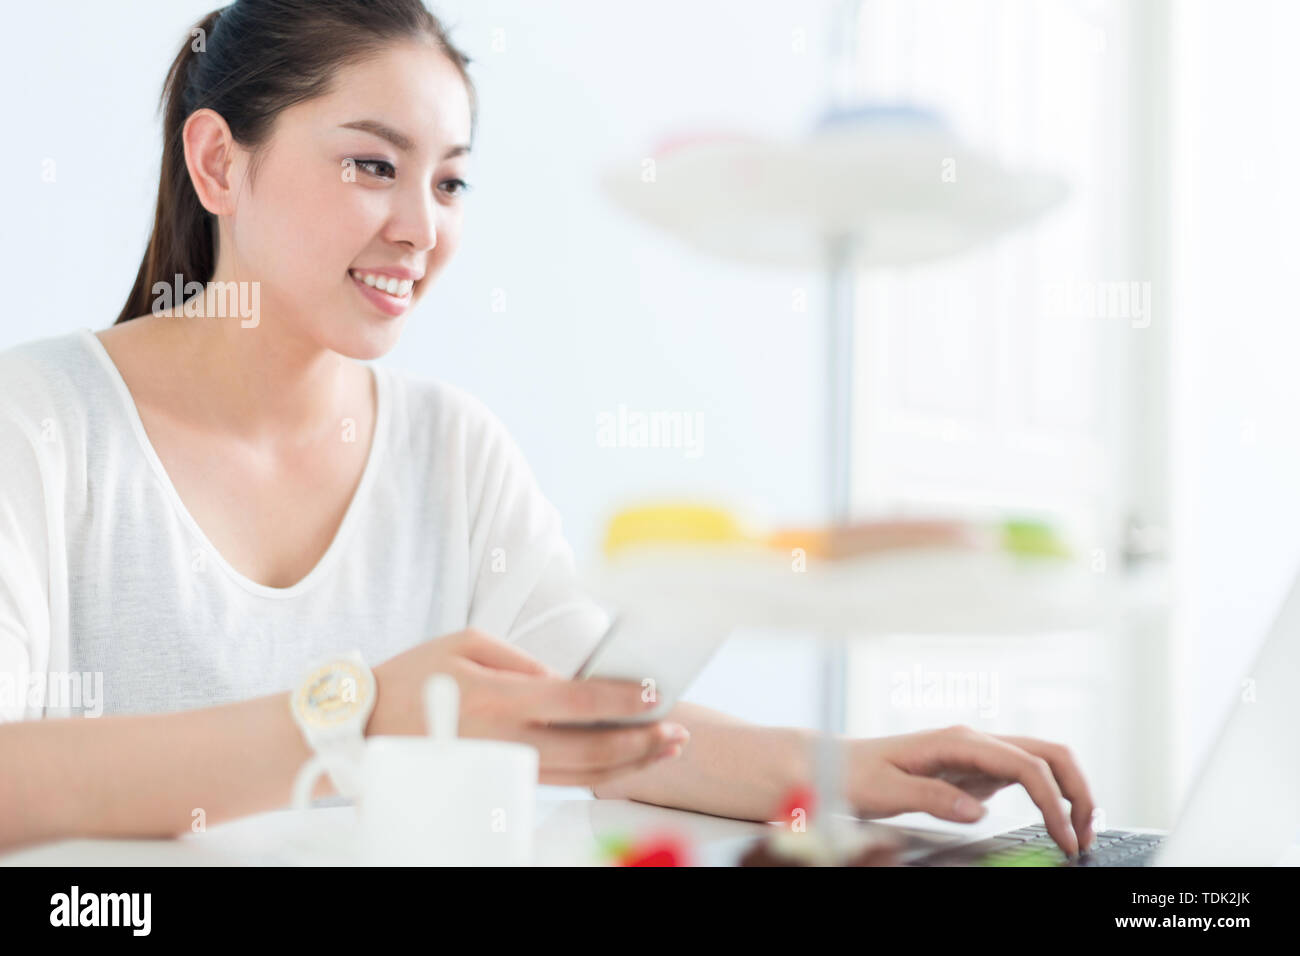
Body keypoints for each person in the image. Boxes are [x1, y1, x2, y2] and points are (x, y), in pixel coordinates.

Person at [0, 0, 1095, 857]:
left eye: (452, 180)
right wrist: (360, 712)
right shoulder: (42, 425)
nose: (422, 227)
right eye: (372, 164)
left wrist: (846, 767)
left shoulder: (450, 448)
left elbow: (597, 724)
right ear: (217, 162)